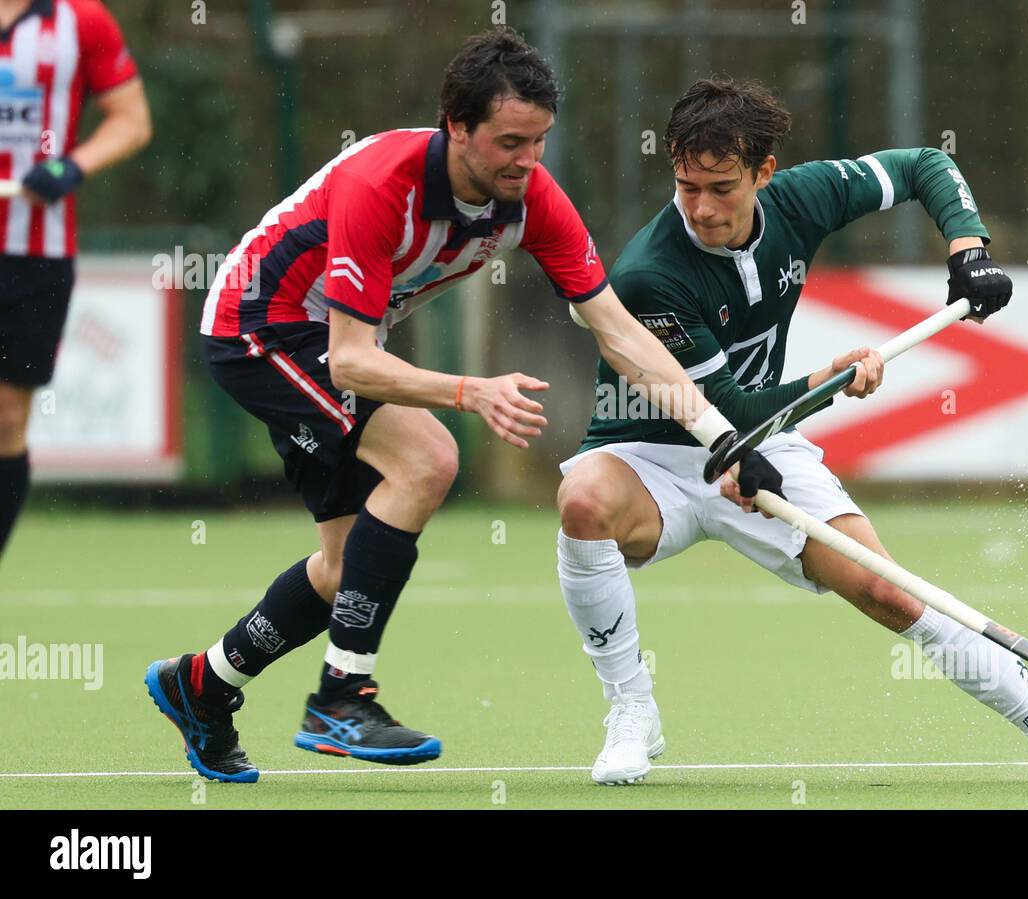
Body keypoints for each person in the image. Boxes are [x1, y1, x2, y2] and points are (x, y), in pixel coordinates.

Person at [145, 30, 780, 783]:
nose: (527, 160)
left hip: (341, 341)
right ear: (456, 126)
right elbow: (349, 359)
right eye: (509, 140)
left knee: (344, 566)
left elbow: (619, 332)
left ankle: (203, 685)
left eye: (539, 140)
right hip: (263, 328)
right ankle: (342, 696)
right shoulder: (384, 183)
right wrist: (469, 392)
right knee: (428, 458)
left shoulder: (532, 198)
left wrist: (722, 437)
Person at [555, 77, 1028, 785]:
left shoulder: (803, 197)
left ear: (764, 173)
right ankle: (631, 710)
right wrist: (828, 383)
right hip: (653, 456)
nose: (702, 208)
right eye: (687, 187)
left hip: (764, 445)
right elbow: (728, 410)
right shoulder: (651, 274)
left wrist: (967, 247)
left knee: (891, 590)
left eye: (722, 187)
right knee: (582, 500)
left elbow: (924, 163)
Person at [0, 0, 151, 558]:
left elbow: (132, 120)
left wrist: (71, 166)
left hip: (34, 255)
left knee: (7, 420)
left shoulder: (81, 20)